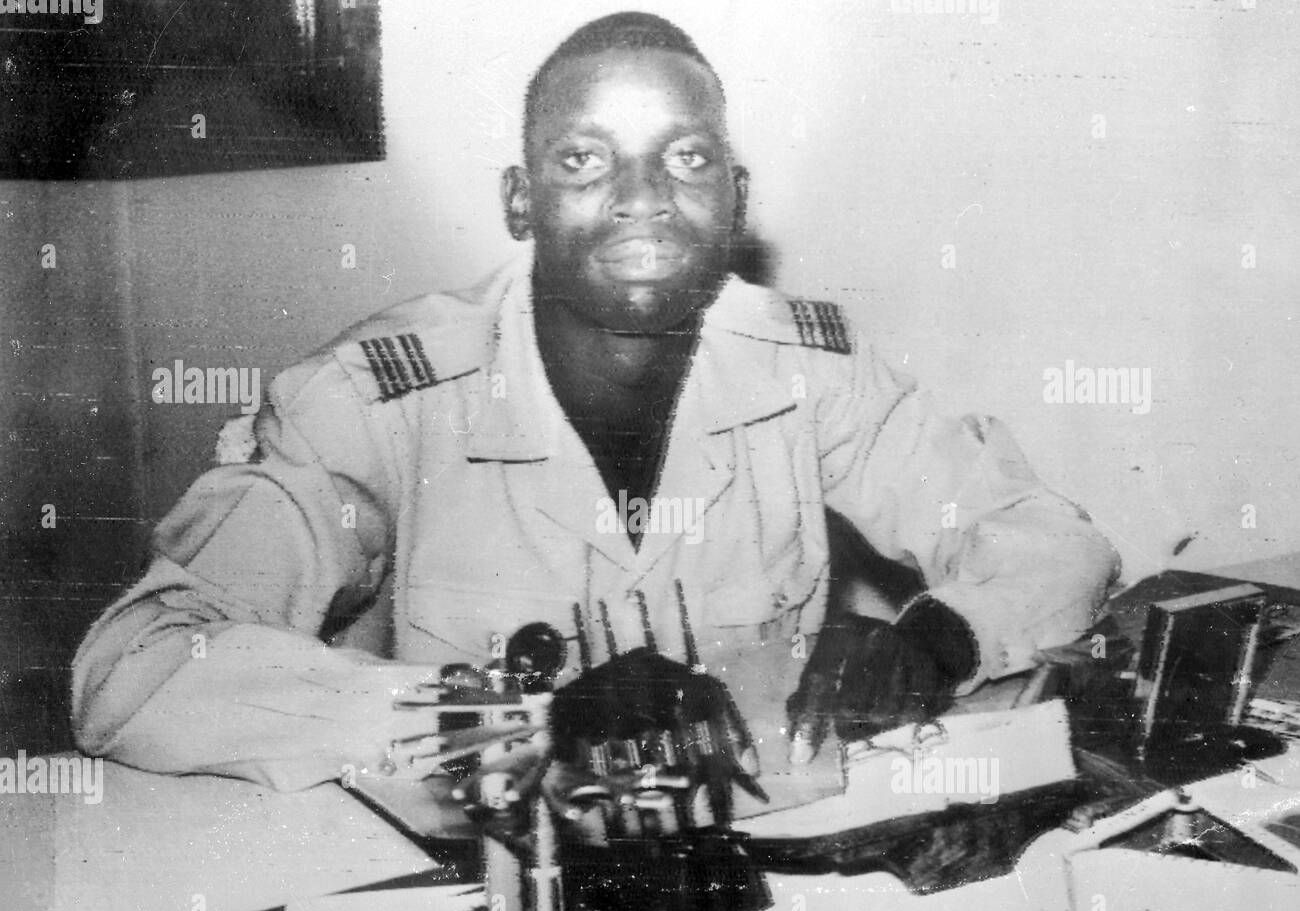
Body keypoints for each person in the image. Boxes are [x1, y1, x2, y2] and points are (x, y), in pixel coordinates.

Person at [71, 11, 1120, 795]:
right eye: (583, 160)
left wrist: (934, 639)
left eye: (686, 157)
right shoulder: (379, 401)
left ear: (735, 199)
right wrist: (518, 716)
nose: (641, 198)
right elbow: (137, 669)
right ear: (518, 199)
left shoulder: (811, 371)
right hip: (486, 877)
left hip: (756, 865)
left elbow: (1052, 542)